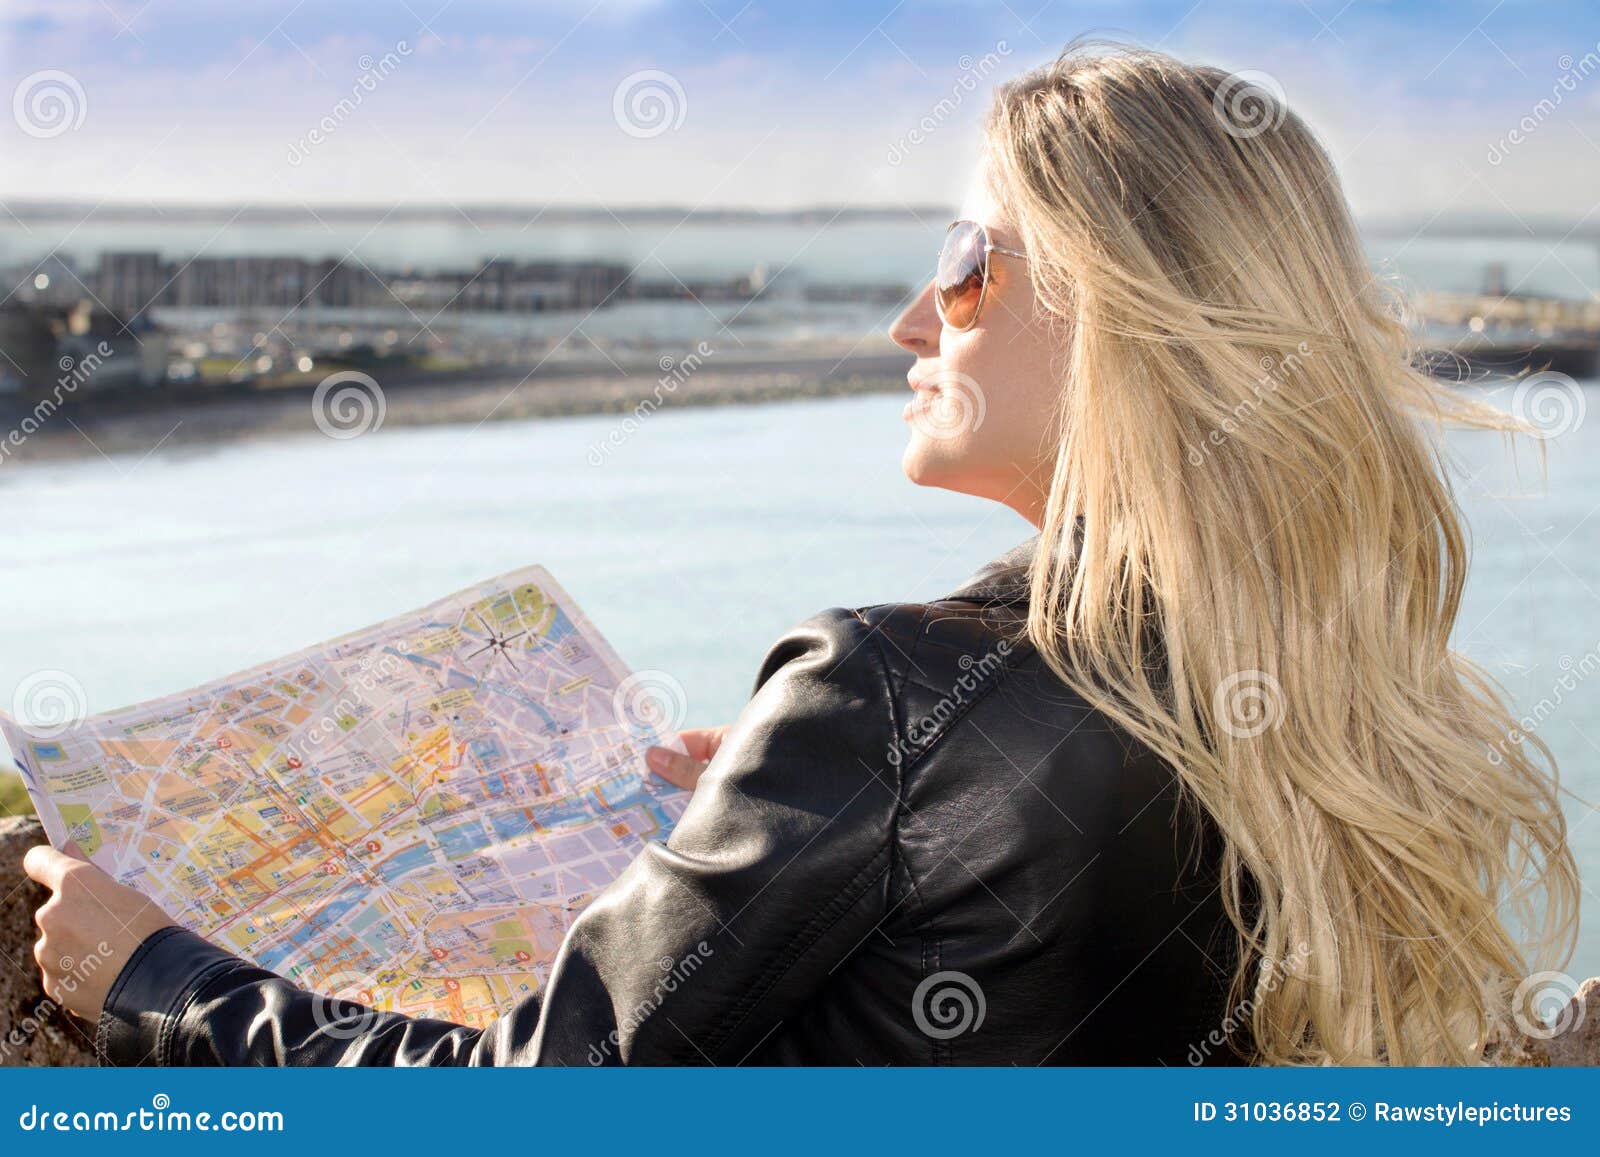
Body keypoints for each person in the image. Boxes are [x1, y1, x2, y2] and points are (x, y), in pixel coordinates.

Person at [26, 42, 1577, 1066]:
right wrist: (802, 821)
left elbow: (537, 1099)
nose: (909, 320)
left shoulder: (887, 692)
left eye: (969, 268)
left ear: (1126, 318)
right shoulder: (1307, 685)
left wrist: (156, 970)